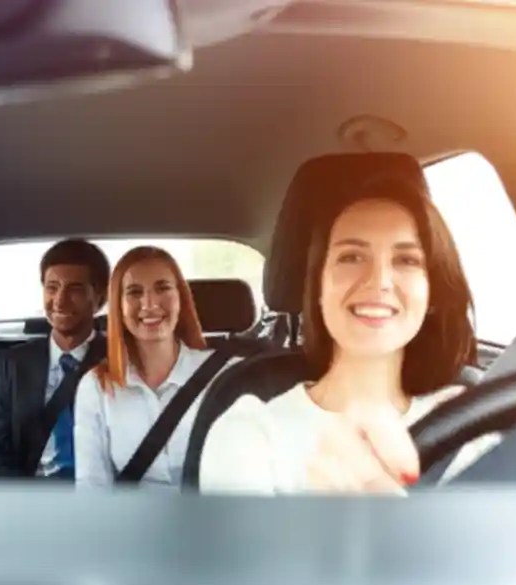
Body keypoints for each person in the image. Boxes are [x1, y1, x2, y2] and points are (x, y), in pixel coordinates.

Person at [199, 175, 492, 495]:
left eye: (406, 260)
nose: (379, 280)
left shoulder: (471, 425)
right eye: (351, 257)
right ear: (319, 287)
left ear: (433, 293)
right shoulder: (249, 433)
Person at [73, 246, 235, 489]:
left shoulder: (228, 376)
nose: (149, 304)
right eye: (134, 292)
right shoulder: (95, 387)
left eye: (162, 288)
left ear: (181, 298)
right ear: (119, 307)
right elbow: (92, 489)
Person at [0, 238, 111, 478]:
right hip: (30, 500)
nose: (59, 300)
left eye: (75, 289)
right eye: (52, 287)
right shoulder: (13, 365)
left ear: (99, 297)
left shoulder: (118, 360)